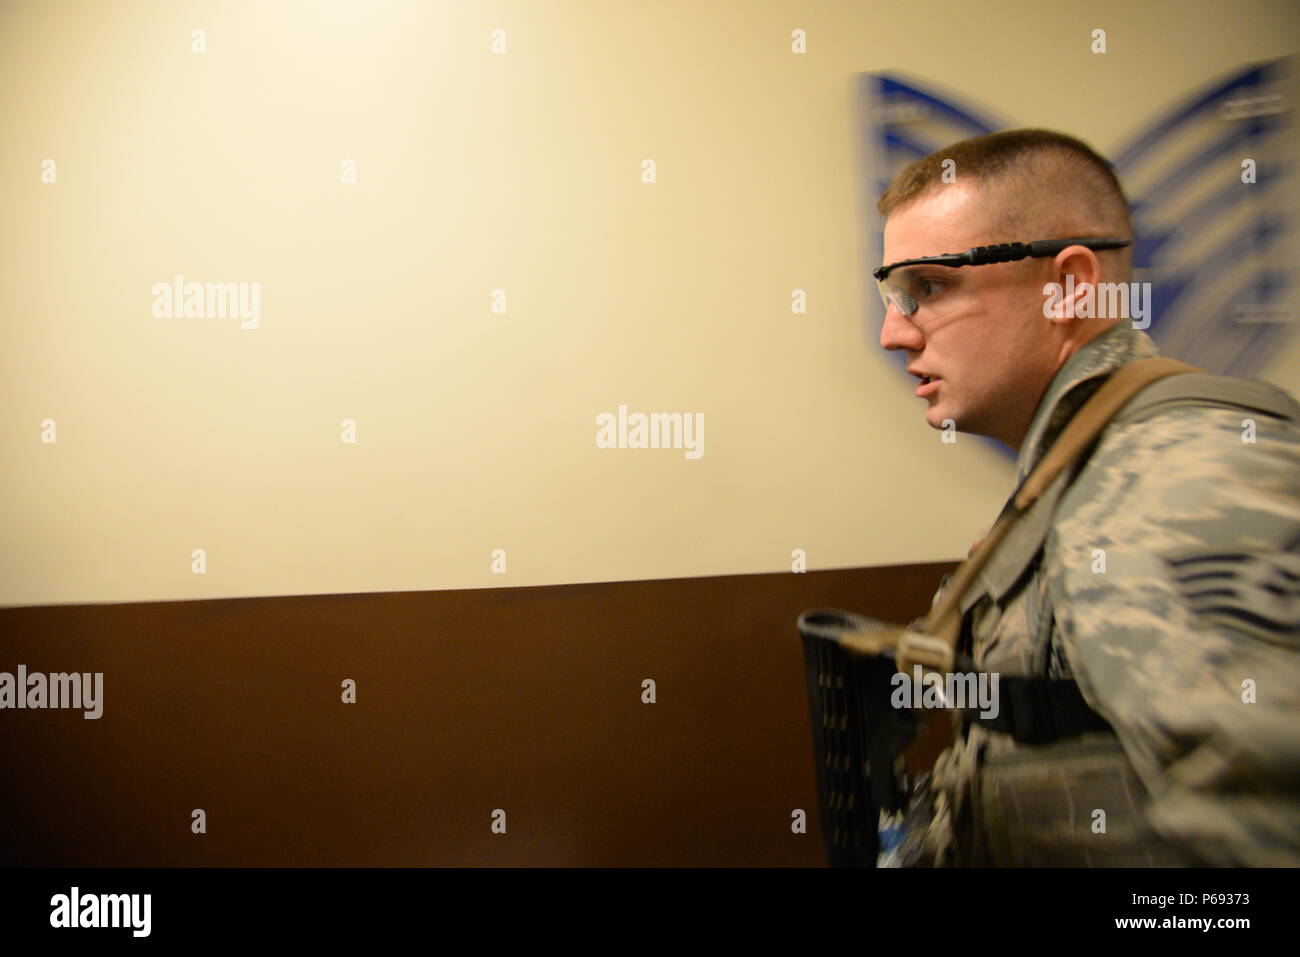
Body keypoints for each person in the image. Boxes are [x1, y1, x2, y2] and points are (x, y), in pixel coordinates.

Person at [874, 128, 1300, 866]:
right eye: (893, 294)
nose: (892, 332)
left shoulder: (1175, 475)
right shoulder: (1087, 466)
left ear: (1070, 284)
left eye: (929, 287)